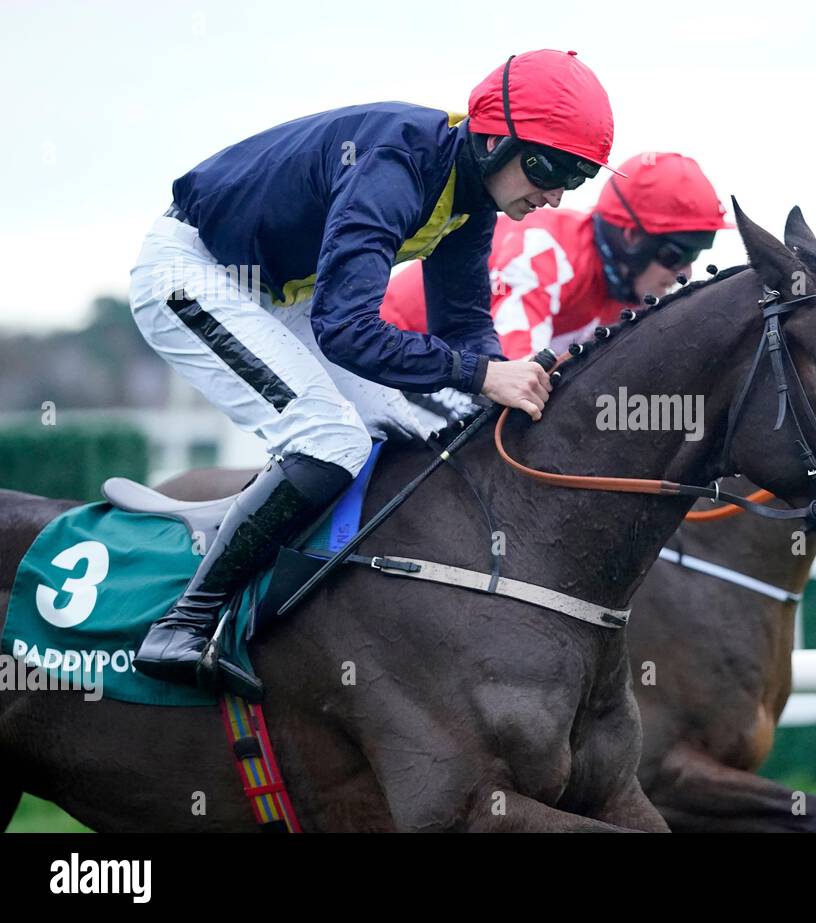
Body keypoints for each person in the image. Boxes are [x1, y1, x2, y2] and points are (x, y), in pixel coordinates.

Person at [128, 50, 616, 699]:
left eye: (576, 179)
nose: (556, 194)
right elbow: (348, 329)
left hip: (282, 294)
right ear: (494, 134)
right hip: (193, 277)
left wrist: (501, 374)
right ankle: (182, 623)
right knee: (331, 439)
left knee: (414, 424)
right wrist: (480, 374)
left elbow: (463, 322)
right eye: (549, 168)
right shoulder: (396, 165)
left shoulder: (470, 196)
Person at [381, 152, 728, 361]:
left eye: (696, 252)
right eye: (675, 253)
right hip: (388, 346)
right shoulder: (544, 252)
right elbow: (511, 371)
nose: (685, 272)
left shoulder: (629, 292)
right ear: (630, 239)